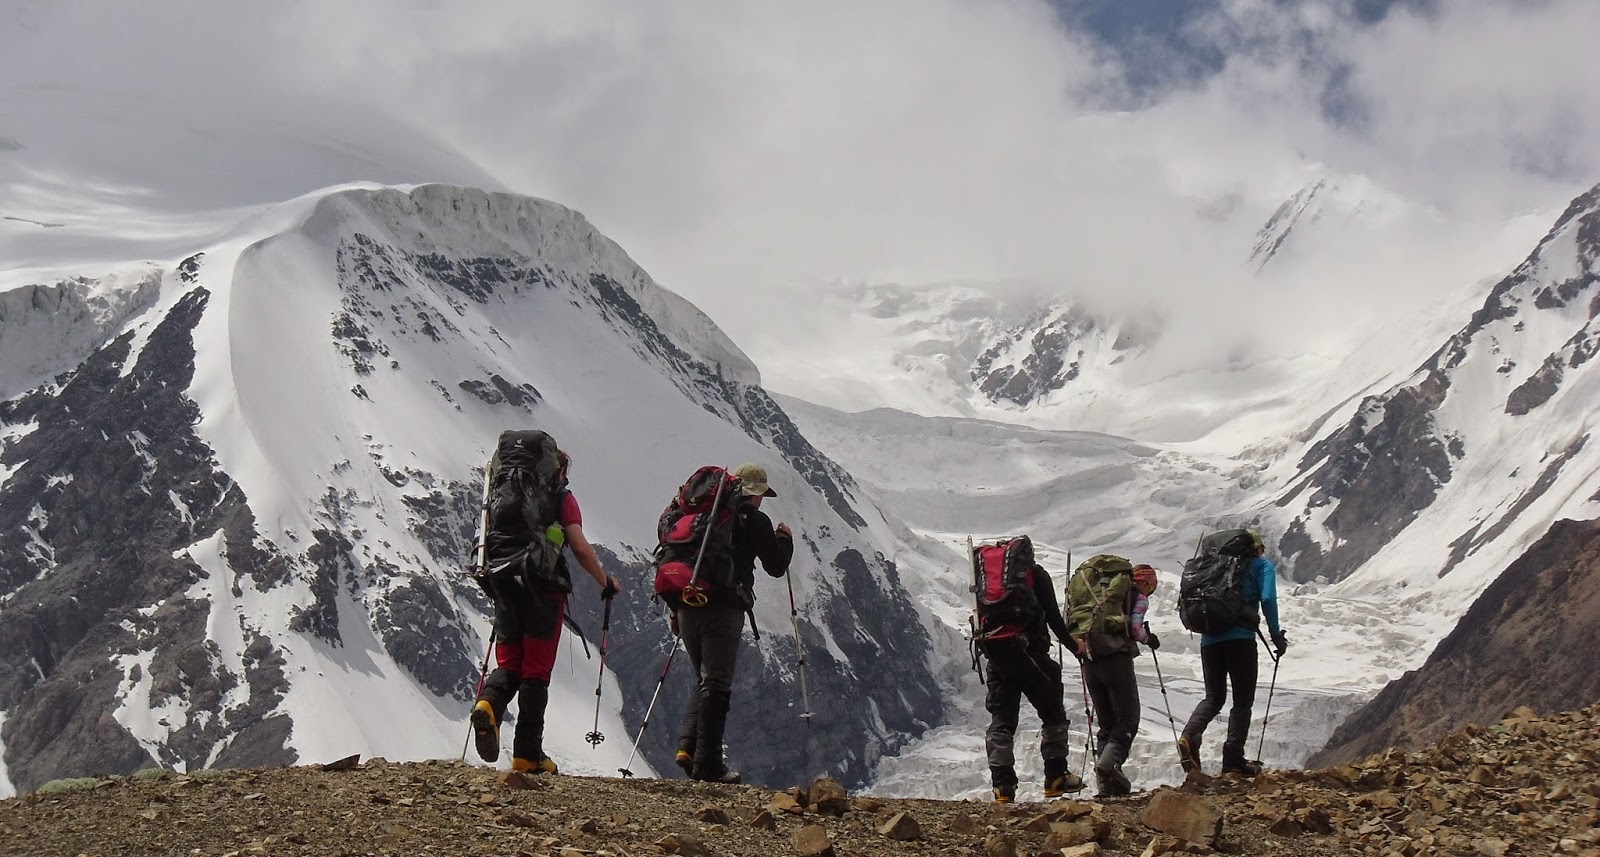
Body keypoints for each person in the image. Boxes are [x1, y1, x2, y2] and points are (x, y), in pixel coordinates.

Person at [470, 449, 621, 773]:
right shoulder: (561, 497)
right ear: (558, 470)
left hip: (504, 586)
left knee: (510, 664)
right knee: (536, 672)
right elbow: (579, 547)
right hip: (543, 591)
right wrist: (604, 580)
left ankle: (488, 703)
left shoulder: (500, 495)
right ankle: (527, 754)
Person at [671, 462, 793, 784]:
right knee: (717, 682)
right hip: (722, 608)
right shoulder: (754, 520)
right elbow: (776, 566)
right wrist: (785, 541)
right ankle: (708, 763)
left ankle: (688, 747)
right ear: (756, 494)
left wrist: (674, 610)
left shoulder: (701, 518)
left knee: (704, 677)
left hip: (686, 605)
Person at [1177, 529, 1287, 777]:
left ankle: (1189, 736)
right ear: (1256, 547)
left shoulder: (1210, 569)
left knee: (1214, 697)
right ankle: (1233, 759)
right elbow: (1268, 599)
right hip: (1241, 639)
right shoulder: (1261, 566)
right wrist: (1276, 635)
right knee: (1242, 701)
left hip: (1209, 640)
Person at [981, 552, 1087, 803]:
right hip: (1031, 654)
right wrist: (1075, 647)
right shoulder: (1036, 575)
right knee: (1053, 713)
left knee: (1002, 720)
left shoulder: (986, 581)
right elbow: (1053, 618)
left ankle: (1002, 786)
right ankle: (1055, 776)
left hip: (997, 656)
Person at [1072, 562, 1160, 797]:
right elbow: (1135, 628)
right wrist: (1148, 638)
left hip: (1091, 660)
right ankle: (1108, 766)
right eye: (1151, 587)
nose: (1149, 592)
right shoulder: (1137, 595)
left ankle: (1106, 786)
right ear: (1144, 582)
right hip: (1116, 660)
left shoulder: (1099, 598)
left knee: (1107, 724)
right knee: (1128, 719)